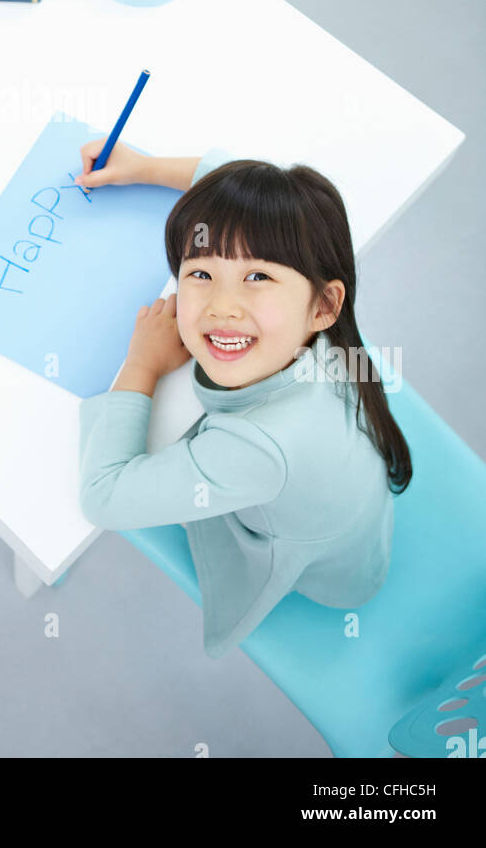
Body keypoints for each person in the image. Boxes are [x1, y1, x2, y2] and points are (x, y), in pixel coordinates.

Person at [74, 140, 411, 660]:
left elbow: (102, 497)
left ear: (323, 304)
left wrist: (141, 365)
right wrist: (144, 167)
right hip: (358, 516)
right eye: (201, 274)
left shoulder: (255, 448)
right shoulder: (321, 328)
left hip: (335, 576)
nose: (222, 307)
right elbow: (247, 207)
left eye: (257, 278)